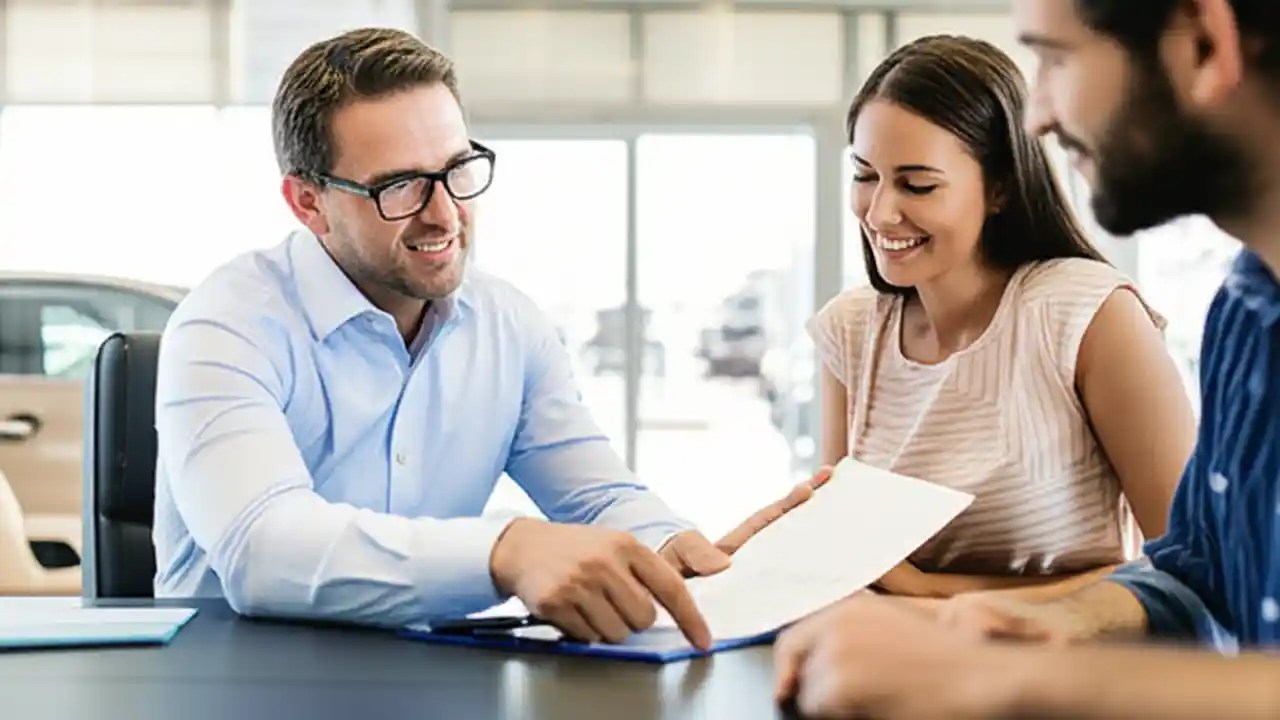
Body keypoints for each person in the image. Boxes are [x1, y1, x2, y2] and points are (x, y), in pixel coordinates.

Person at [151, 27, 823, 648]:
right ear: (308, 202)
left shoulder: (509, 325)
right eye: (400, 187)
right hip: (237, 676)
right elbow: (261, 550)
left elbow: (597, 496)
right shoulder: (228, 324)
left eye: (456, 170)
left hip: (427, 677)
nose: (444, 214)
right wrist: (504, 551)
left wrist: (671, 548)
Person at [774, 0, 1280, 717]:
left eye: (1056, 58)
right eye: (867, 176)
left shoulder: (1083, 311)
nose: (1036, 115)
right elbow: (1195, 575)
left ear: (1204, 43)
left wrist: (995, 675)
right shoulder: (1245, 310)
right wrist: (1048, 620)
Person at [807, 33, 1195, 602]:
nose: (881, 212)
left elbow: (1189, 566)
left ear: (1000, 190)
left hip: (1068, 669)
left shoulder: (1086, 314)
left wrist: (934, 596)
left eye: (918, 184)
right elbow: (842, 551)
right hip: (891, 669)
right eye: (865, 176)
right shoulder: (852, 328)